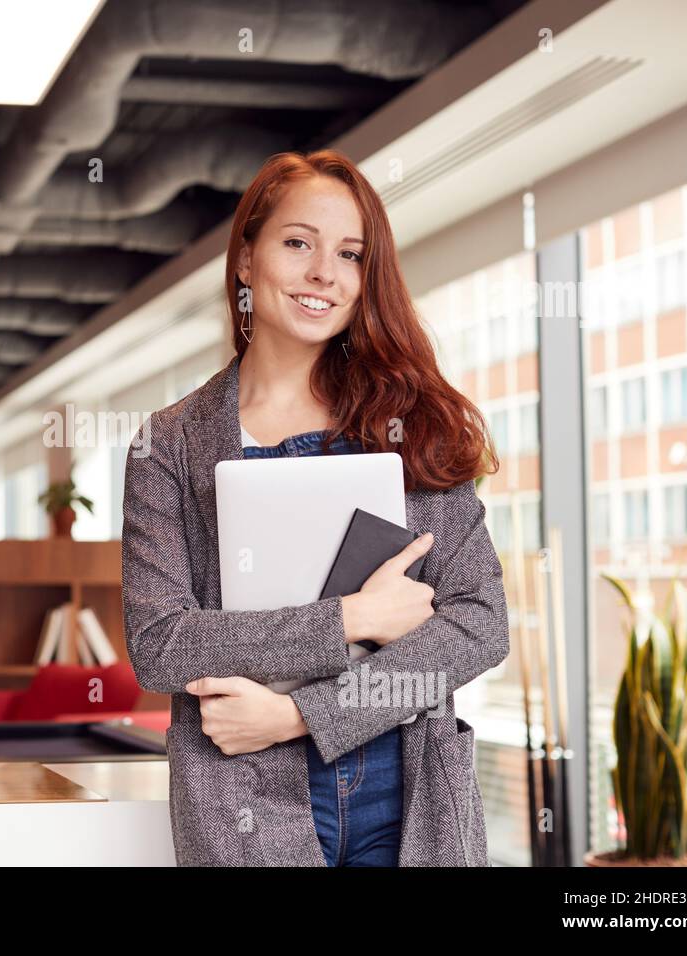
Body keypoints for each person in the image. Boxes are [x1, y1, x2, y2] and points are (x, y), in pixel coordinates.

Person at [120, 148, 509, 867]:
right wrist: (353, 619)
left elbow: (480, 623)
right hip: (244, 803)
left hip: (405, 789)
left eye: (351, 255)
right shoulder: (170, 445)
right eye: (298, 243)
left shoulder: (414, 421)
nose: (324, 274)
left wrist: (299, 716)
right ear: (245, 259)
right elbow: (162, 643)